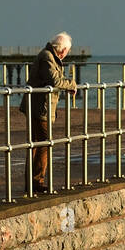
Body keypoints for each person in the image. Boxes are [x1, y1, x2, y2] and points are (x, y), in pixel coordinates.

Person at [20, 32, 78, 193]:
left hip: (39, 106)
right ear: (63, 49)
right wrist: (72, 84)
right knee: (44, 143)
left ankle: (32, 183)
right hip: (40, 107)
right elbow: (55, 80)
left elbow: (55, 80)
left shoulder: (50, 56)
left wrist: (66, 86)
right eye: (68, 51)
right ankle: (37, 182)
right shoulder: (47, 57)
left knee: (36, 144)